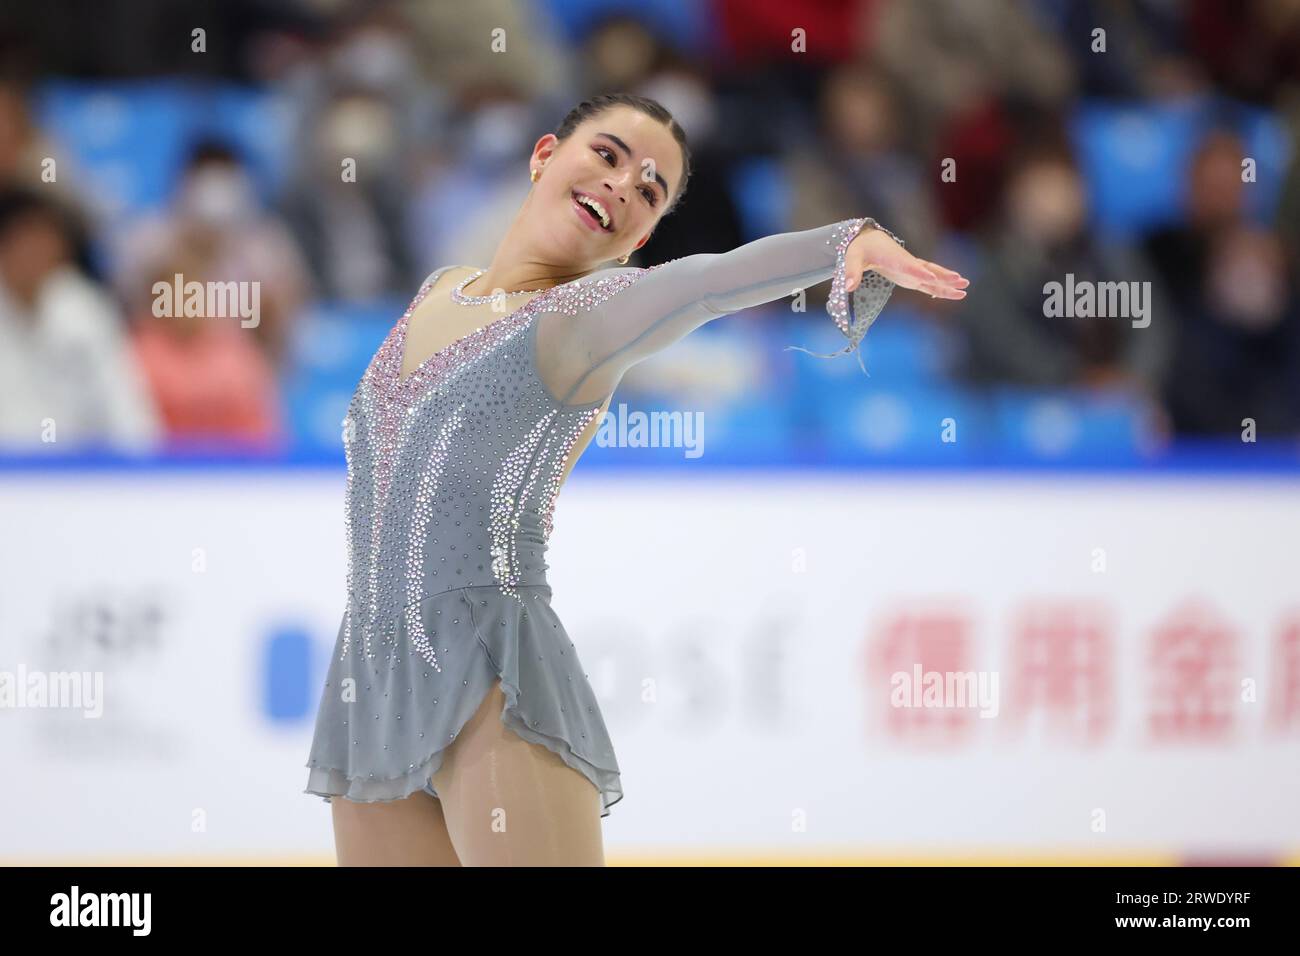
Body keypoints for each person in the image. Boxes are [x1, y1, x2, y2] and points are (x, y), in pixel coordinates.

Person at [302, 93, 967, 867]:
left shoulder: (585, 317)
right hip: (371, 683)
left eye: (649, 189)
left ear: (640, 236)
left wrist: (841, 241)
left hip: (494, 680)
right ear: (545, 154)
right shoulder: (439, 288)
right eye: (609, 155)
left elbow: (708, 283)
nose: (623, 184)